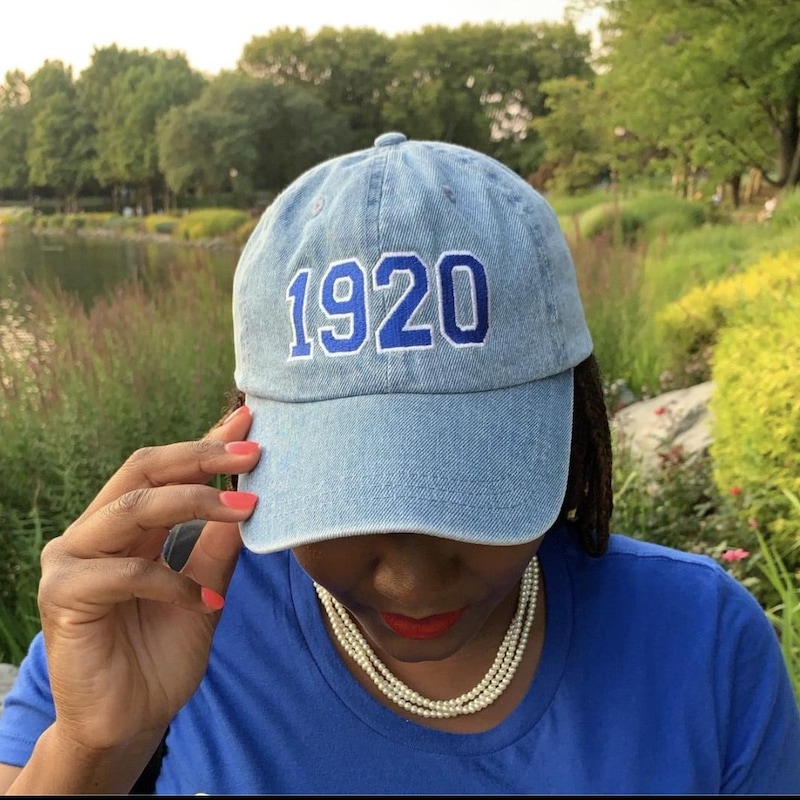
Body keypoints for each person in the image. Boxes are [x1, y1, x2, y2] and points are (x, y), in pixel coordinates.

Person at [1, 132, 799, 795]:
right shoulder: (152, 613)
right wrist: (93, 751)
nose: (410, 582)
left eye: (471, 490)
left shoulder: (703, 645)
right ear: (245, 431)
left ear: (572, 426)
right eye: (347, 497)